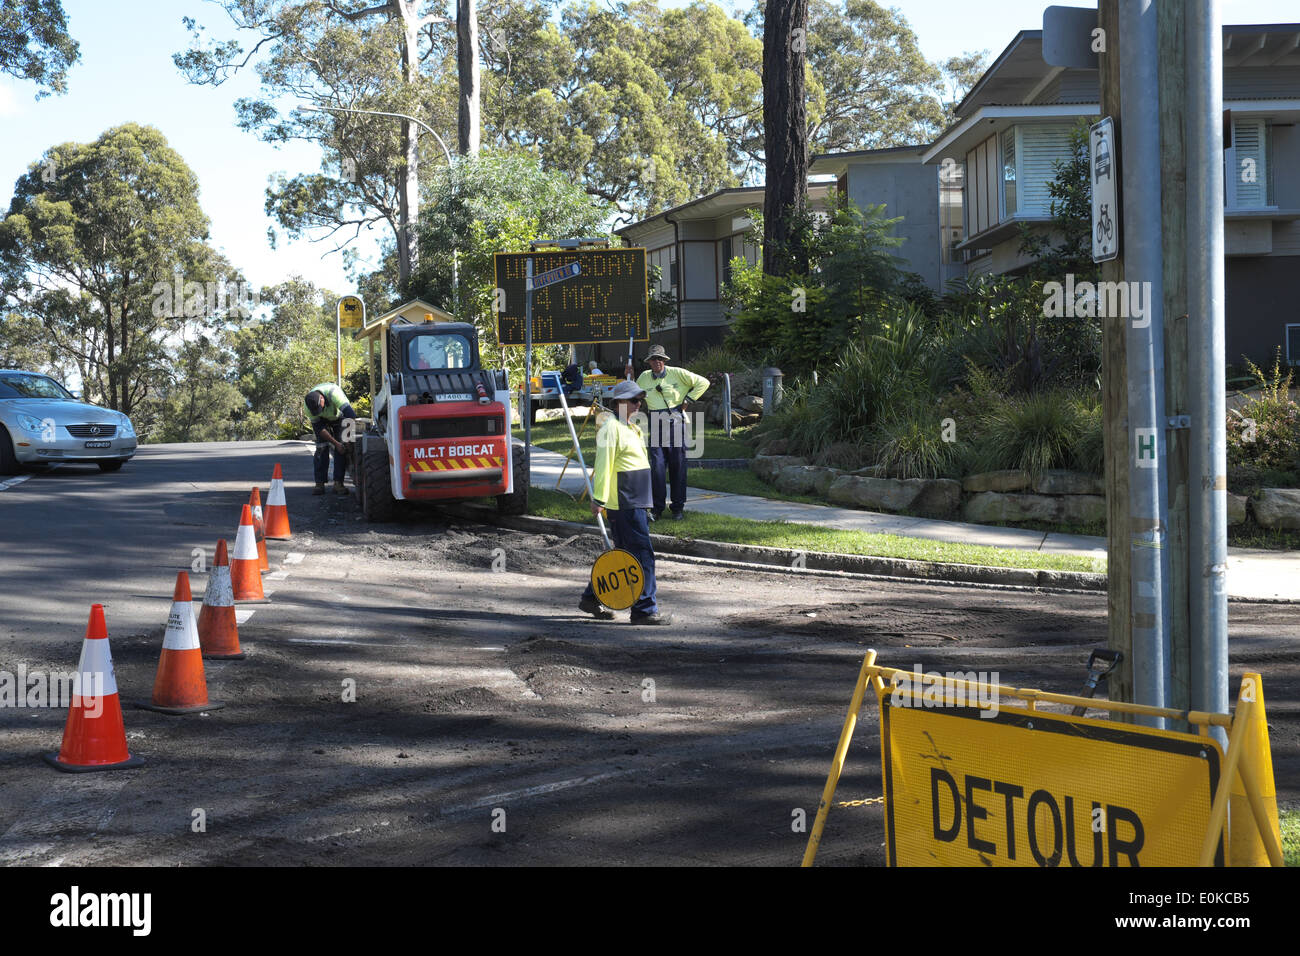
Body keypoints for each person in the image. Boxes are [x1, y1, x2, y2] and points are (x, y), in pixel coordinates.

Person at [578, 380, 670, 625]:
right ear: (619, 403)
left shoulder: (631, 427)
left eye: (639, 399)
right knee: (643, 556)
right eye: (633, 400)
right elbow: (603, 464)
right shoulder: (611, 428)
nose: (638, 404)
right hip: (625, 503)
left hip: (635, 501)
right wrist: (599, 499)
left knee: (624, 556)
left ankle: (591, 597)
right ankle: (644, 610)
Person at [633, 344, 709, 521]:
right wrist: (627, 378)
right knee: (657, 467)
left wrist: (688, 400)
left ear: (665, 360)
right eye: (653, 359)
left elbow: (703, 382)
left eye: (660, 358)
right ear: (649, 362)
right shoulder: (644, 377)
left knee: (678, 466)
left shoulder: (677, 373)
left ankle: (677, 508)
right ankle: (657, 508)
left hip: (675, 420)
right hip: (655, 421)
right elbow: (635, 395)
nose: (657, 361)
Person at [304, 382, 356, 495]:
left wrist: (347, 439)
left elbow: (351, 416)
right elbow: (319, 429)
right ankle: (319, 483)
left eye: (320, 408)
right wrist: (335, 443)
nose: (319, 410)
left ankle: (338, 483)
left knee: (341, 447)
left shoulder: (334, 394)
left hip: (339, 417)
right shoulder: (308, 406)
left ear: (322, 398)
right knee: (321, 448)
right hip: (322, 421)